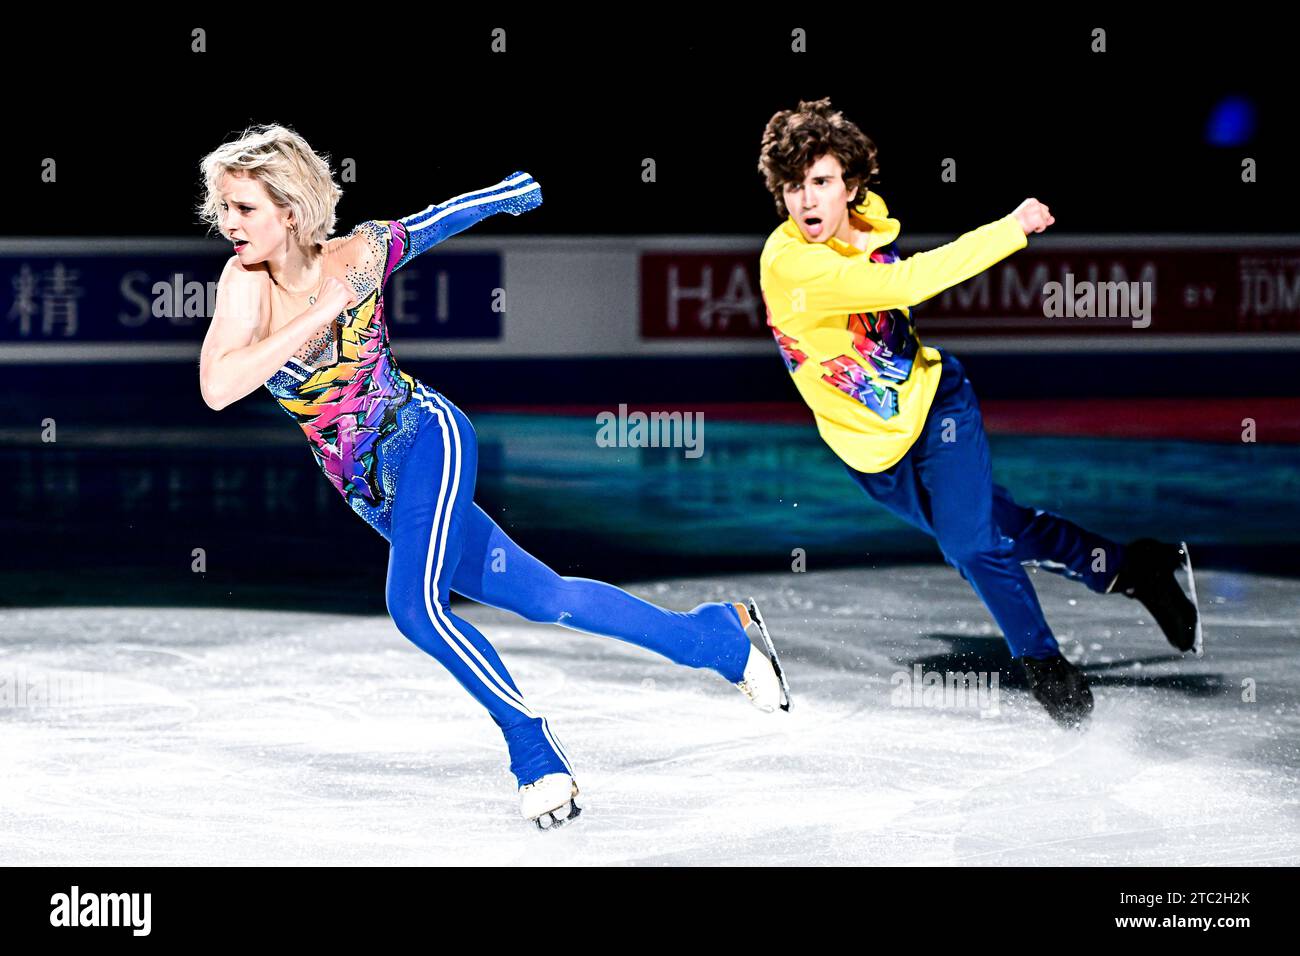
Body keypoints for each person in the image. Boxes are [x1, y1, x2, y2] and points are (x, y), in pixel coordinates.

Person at [196, 124, 789, 829]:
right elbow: (218, 386)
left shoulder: (358, 255)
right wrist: (321, 313)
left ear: (290, 210)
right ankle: (717, 639)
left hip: (427, 440)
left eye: (244, 207)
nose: (228, 222)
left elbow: (430, 224)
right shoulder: (244, 285)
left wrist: (508, 196)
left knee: (414, 607)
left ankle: (532, 750)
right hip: (371, 495)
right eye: (223, 207)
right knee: (545, 597)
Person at [755, 98, 1200, 728]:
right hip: (872, 456)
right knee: (1005, 530)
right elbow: (905, 285)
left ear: (849, 185)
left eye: (822, 182)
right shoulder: (793, 263)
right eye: (795, 187)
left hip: (939, 409)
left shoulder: (864, 224)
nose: (808, 201)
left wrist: (1013, 227)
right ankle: (1134, 569)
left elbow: (895, 270)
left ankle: (1046, 668)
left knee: (970, 544)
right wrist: (1007, 227)